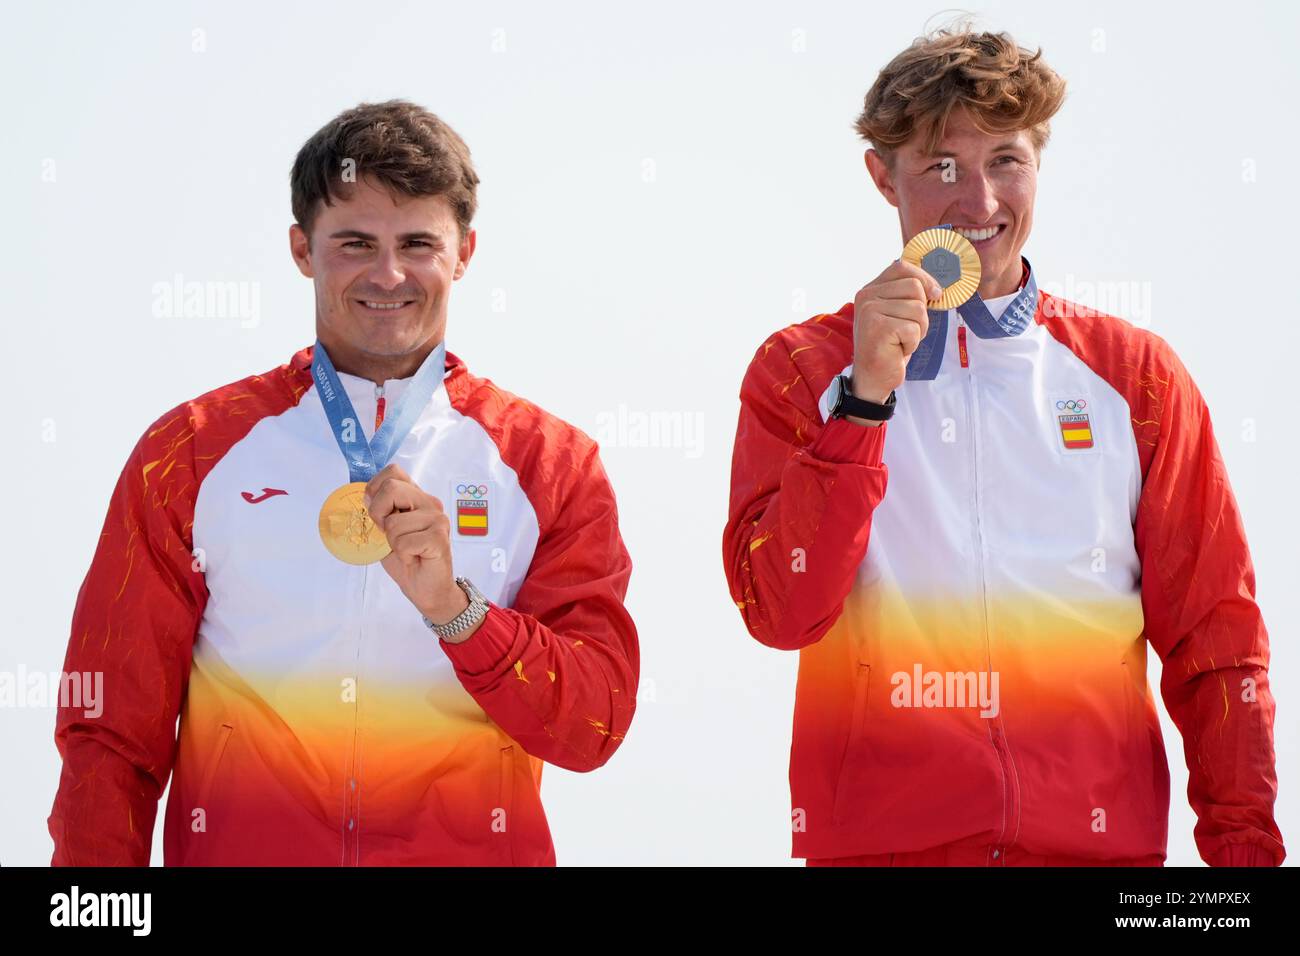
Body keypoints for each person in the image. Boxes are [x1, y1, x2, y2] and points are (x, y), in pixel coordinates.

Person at [722, 27, 1284, 866]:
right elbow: (781, 611)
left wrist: (1245, 862)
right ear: (883, 176)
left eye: (1006, 162)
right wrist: (866, 401)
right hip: (882, 852)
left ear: (1041, 160)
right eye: (941, 166)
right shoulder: (801, 371)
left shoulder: (1138, 378)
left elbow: (1219, 648)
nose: (979, 203)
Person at [49, 100, 639, 866]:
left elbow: (593, 726)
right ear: (302, 249)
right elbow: (109, 731)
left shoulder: (550, 463)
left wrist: (457, 614)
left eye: (418, 243)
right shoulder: (189, 452)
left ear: (464, 254)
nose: (388, 274)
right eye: (355, 242)